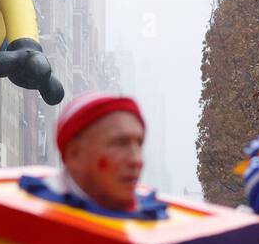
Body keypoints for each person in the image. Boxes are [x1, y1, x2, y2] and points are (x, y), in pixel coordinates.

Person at [17, 91, 167, 219]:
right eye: (121, 143)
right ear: (75, 154)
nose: (136, 161)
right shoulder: (28, 221)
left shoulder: (158, 223)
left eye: (139, 144)